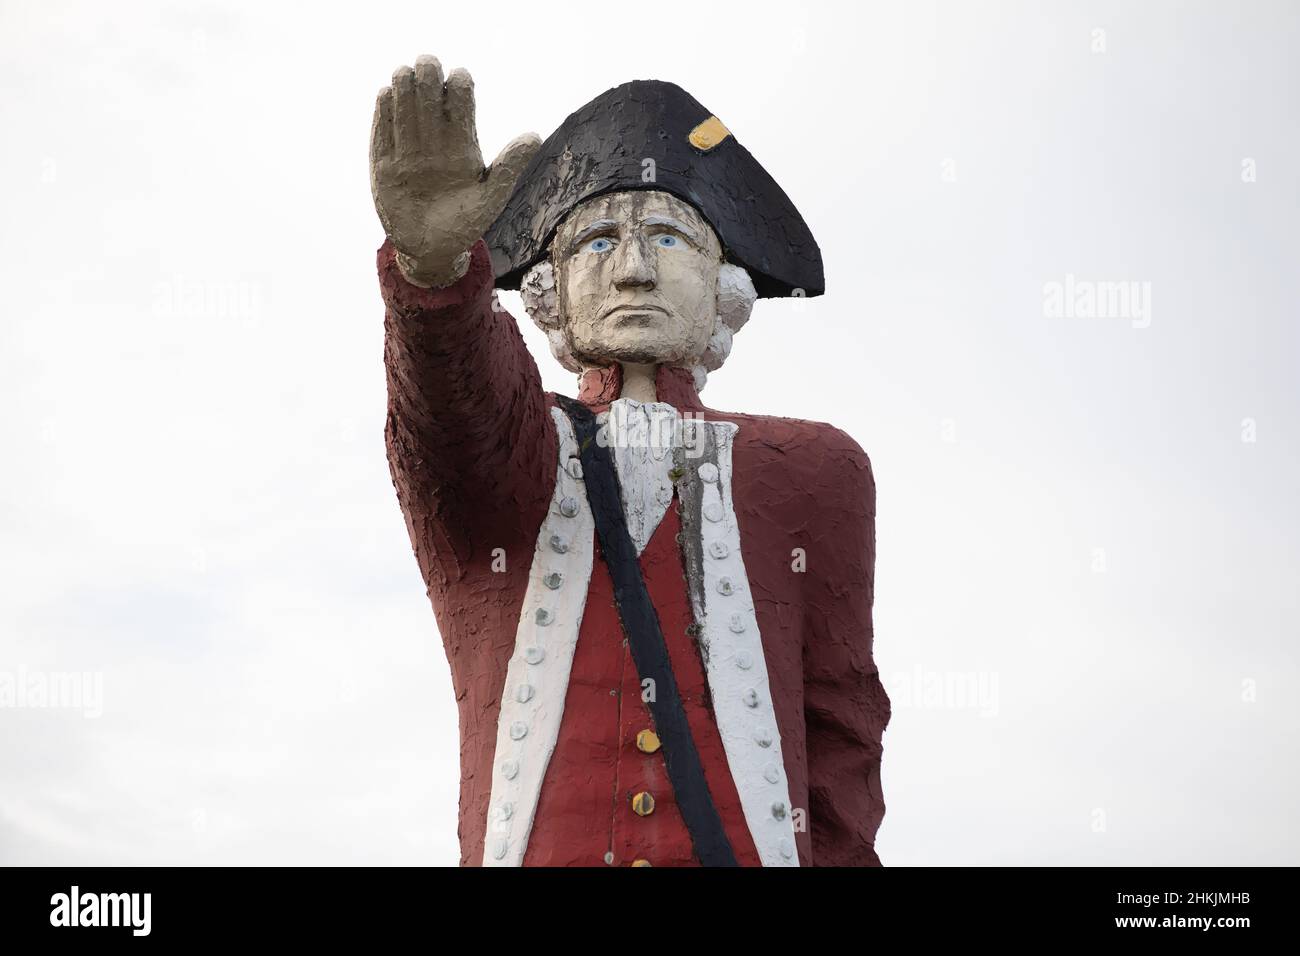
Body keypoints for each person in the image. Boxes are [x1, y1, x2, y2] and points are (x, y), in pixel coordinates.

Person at [370, 55, 889, 866]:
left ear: (723, 280)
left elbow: (841, 737)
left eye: (671, 237)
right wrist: (434, 277)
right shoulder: (516, 454)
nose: (634, 269)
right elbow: (452, 407)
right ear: (551, 289)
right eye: (599, 239)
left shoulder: (815, 469)